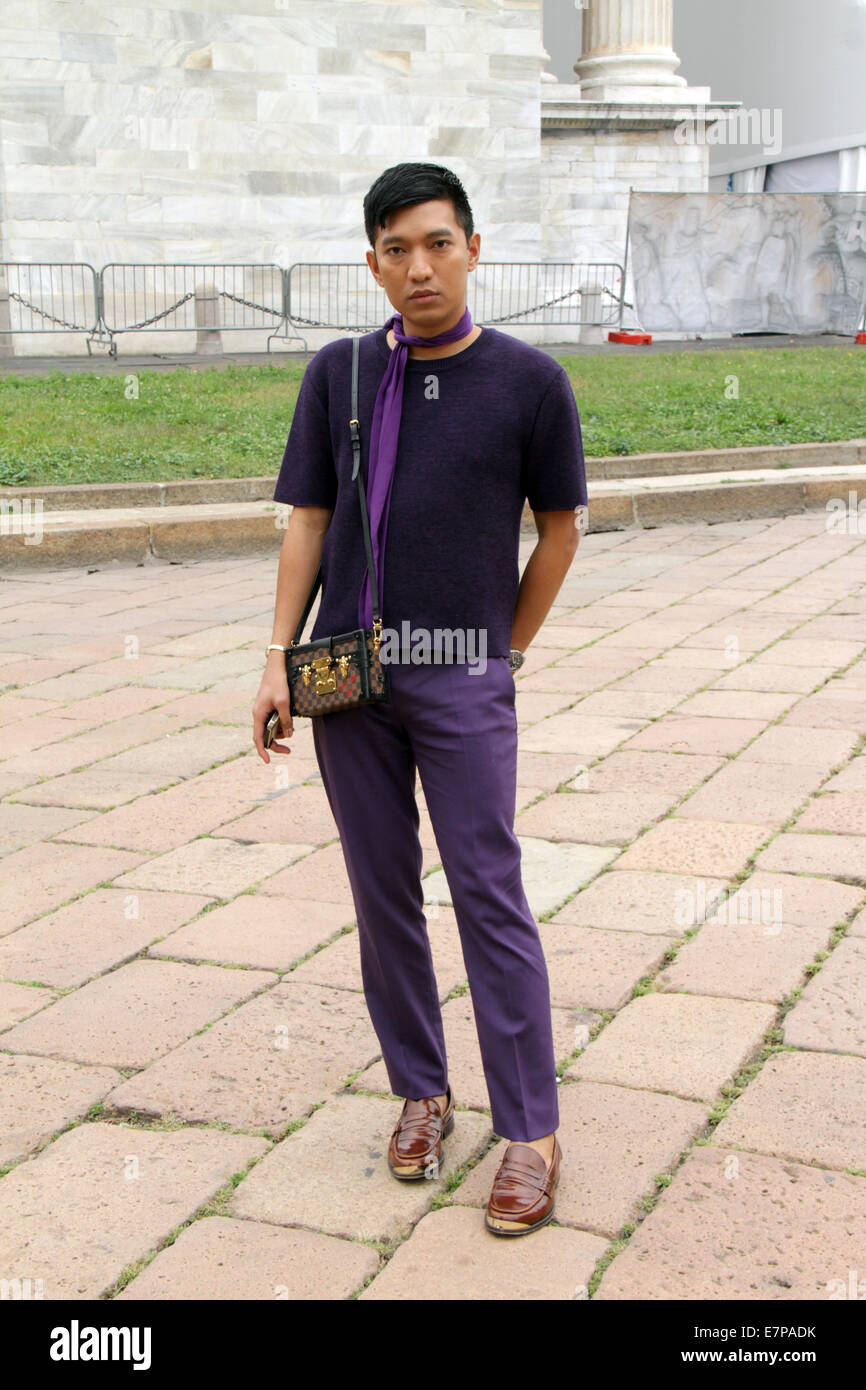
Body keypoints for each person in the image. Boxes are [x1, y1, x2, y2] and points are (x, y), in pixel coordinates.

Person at [253, 162, 588, 1237]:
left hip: (459, 674)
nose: (418, 266)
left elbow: (560, 531)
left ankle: (529, 1131)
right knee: (381, 892)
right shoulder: (338, 373)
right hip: (348, 677)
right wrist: (274, 657)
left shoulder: (529, 382)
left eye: (437, 243)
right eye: (395, 248)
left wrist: (503, 652)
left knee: (487, 889)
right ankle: (421, 1092)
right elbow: (306, 520)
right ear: (372, 263)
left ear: (473, 249)